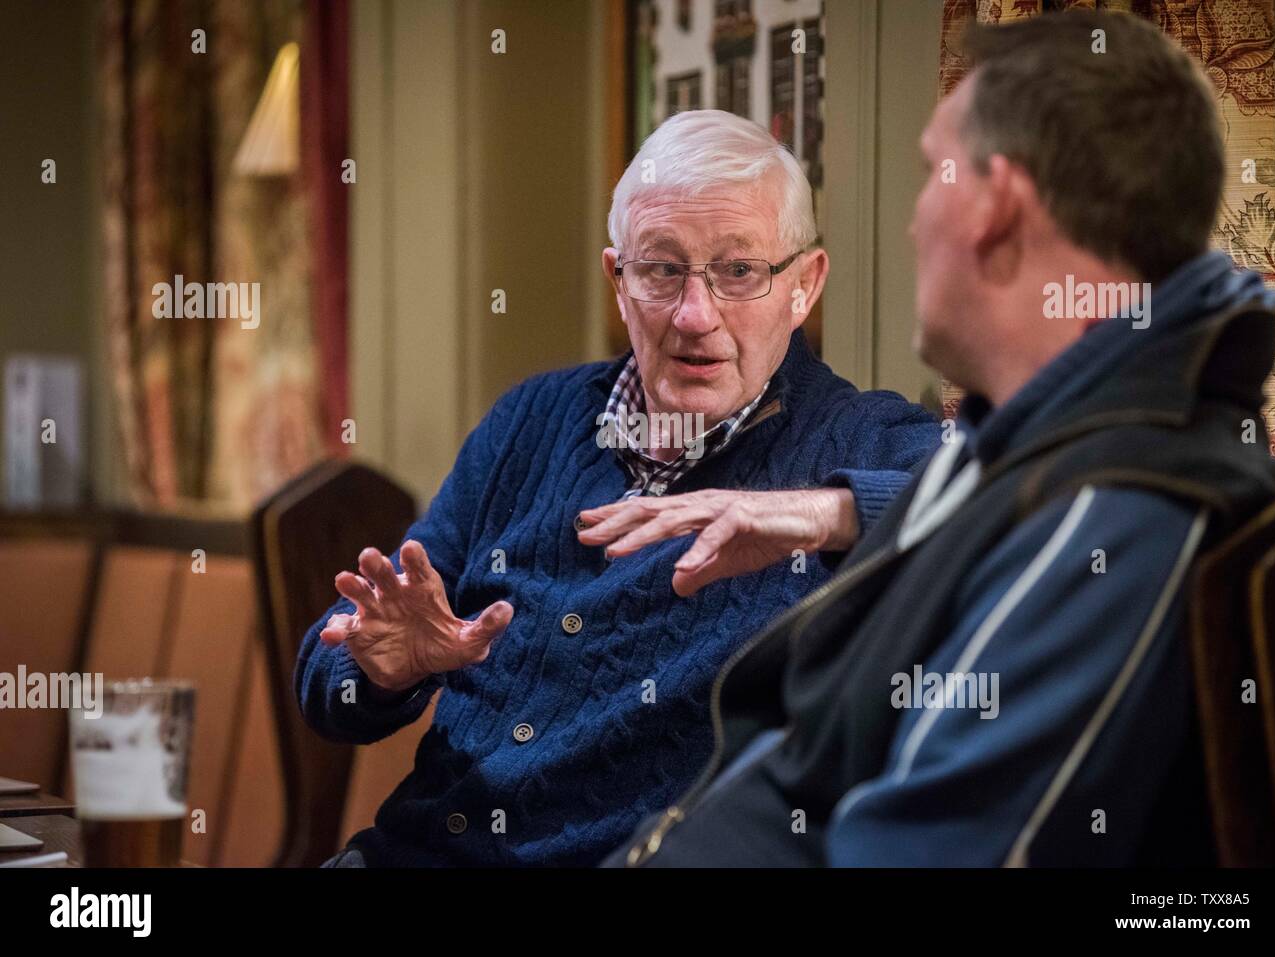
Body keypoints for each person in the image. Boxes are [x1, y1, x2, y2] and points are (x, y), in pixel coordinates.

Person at [605, 10, 1275, 867]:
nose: (914, 220)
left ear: (997, 208)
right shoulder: (1021, 444)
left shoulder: (1109, 516)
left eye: (934, 174)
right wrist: (831, 514)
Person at [297, 109, 940, 866]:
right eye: (662, 270)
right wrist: (381, 669)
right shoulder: (530, 419)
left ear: (804, 286)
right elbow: (326, 682)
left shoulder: (858, 436)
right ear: (618, 279)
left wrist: (817, 511)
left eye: (738, 272)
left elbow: (1012, 487)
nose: (696, 316)